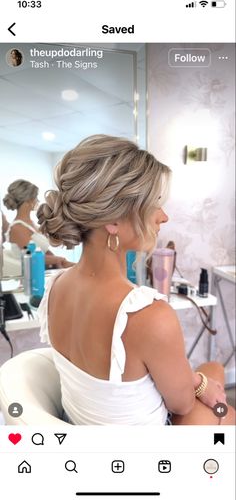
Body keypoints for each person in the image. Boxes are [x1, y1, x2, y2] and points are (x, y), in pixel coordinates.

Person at [37, 135, 235, 425]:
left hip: (83, 432)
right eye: (155, 203)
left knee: (214, 368)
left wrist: (200, 379)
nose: (163, 217)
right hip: (142, 456)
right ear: (114, 221)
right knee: (221, 405)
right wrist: (200, 384)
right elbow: (180, 404)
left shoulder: (56, 287)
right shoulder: (148, 315)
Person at [3, 179, 73, 269]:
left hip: (41, 270)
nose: (38, 200)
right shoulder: (17, 228)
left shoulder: (31, 224)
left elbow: (47, 253)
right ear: (28, 200)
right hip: (29, 276)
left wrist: (66, 263)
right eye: (36, 197)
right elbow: (31, 257)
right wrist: (59, 260)